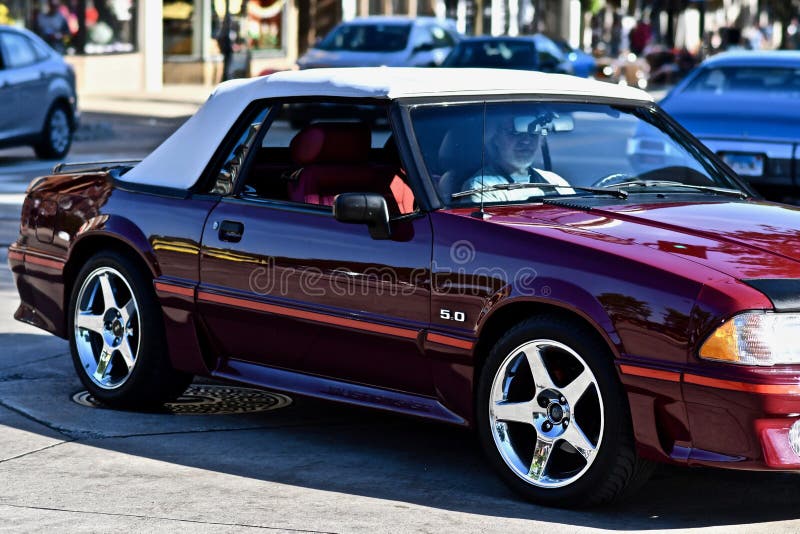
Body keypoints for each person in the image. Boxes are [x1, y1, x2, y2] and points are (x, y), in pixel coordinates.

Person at [460, 111, 572, 203]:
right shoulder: (482, 187)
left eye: (533, 133)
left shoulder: (555, 181)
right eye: (514, 133)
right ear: (495, 138)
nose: (526, 141)